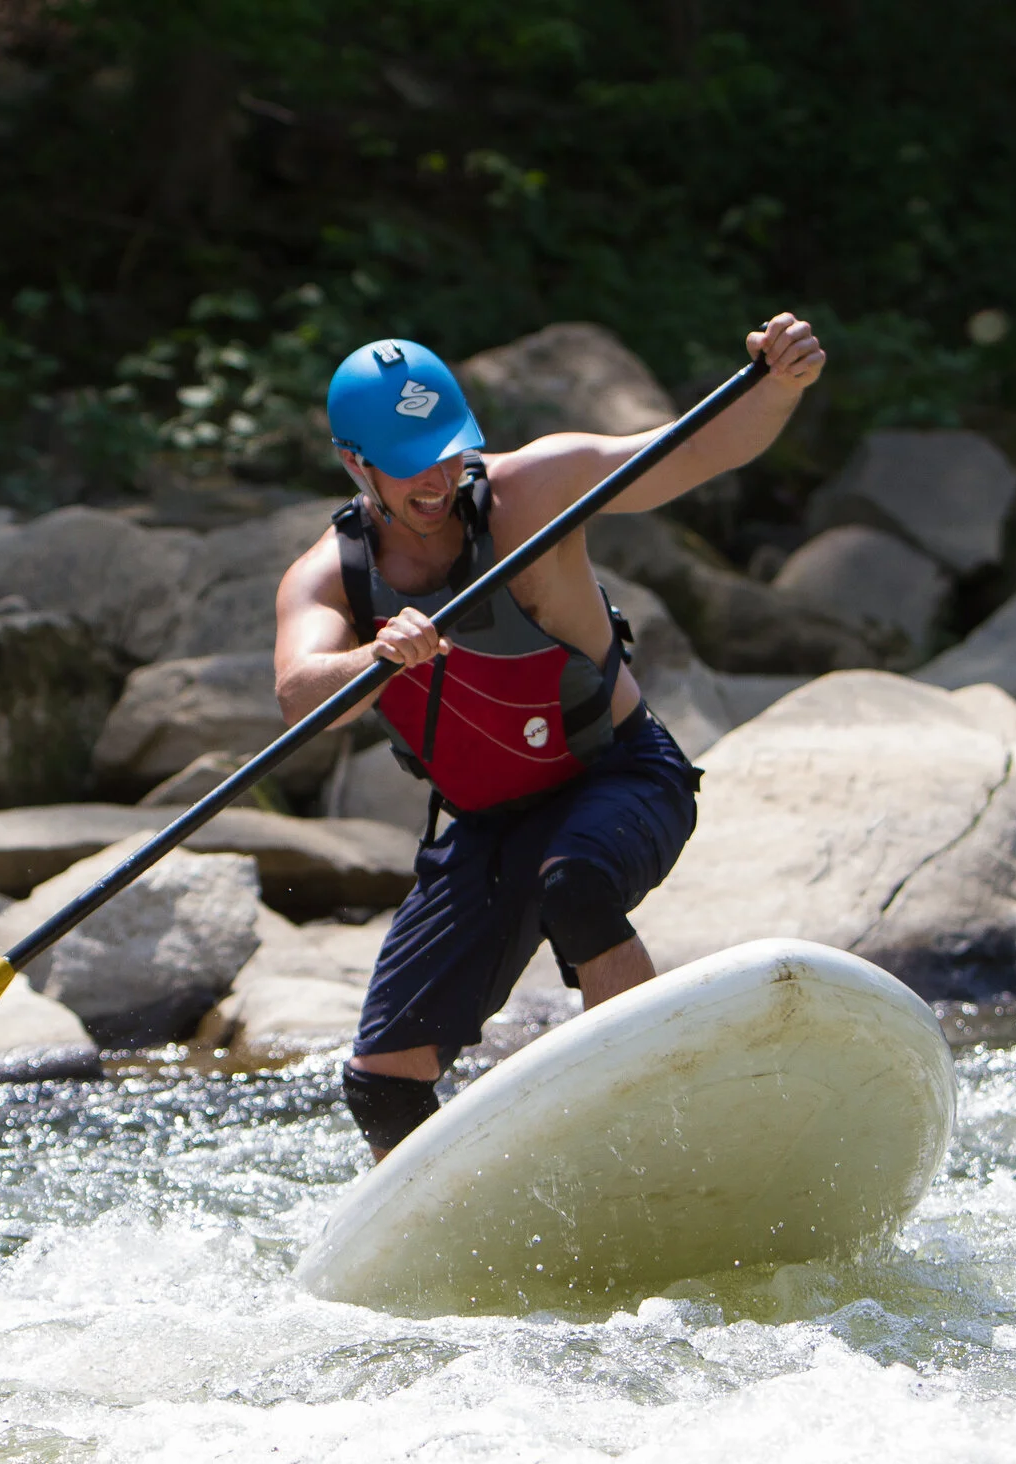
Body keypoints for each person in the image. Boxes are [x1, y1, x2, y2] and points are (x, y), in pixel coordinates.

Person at [273, 316, 828, 1159]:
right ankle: (450, 1248)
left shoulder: (533, 489)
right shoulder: (332, 575)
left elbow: (690, 450)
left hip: (620, 775)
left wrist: (779, 384)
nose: (435, 475)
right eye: (406, 458)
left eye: (447, 448)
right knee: (382, 1079)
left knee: (574, 883)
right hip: (491, 823)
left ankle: (670, 1131)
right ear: (356, 462)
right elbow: (298, 693)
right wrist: (373, 657)